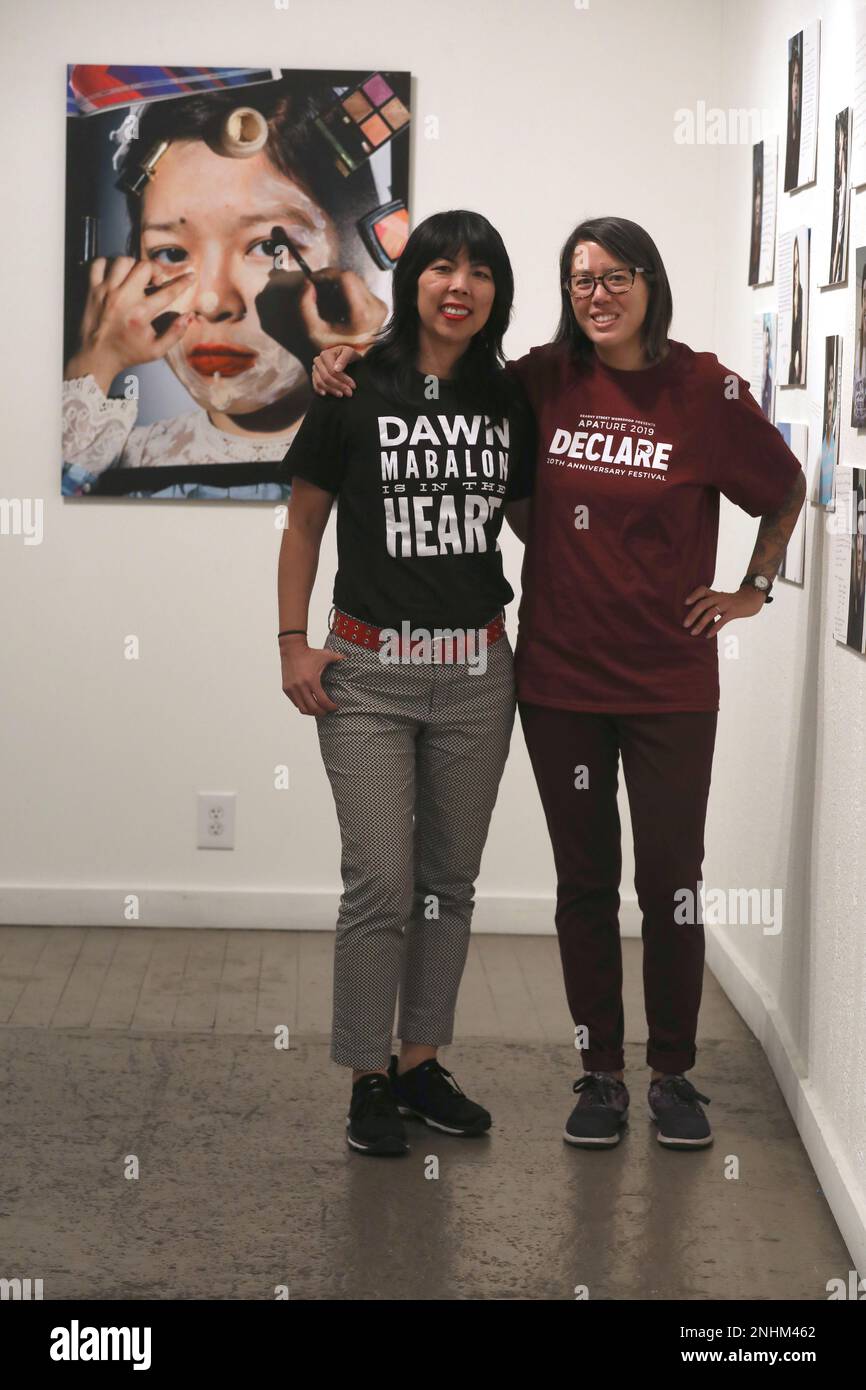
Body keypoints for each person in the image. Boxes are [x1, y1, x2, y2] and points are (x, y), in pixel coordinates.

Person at [313, 215, 806, 1153]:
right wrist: (339, 360)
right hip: (559, 678)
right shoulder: (542, 379)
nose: (599, 294)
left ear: (651, 282)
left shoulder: (701, 389)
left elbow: (783, 486)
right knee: (584, 884)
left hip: (670, 683)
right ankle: (601, 1075)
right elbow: (436, 370)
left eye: (617, 276)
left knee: (671, 884)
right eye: (580, 280)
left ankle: (672, 1076)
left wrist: (752, 589)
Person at [276, 210, 536, 1155]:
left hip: (474, 672)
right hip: (370, 674)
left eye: (480, 271)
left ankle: (421, 1063)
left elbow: (532, 524)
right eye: (441, 267)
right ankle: (366, 1079)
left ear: (498, 293)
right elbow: (304, 526)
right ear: (413, 279)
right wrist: (290, 645)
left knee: (446, 884)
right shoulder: (353, 385)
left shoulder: (509, 402)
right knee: (380, 879)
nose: (459, 285)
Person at [62, 79, 388, 499]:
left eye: (270, 247)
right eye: (171, 253)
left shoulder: (380, 451)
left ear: (353, 258)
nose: (212, 302)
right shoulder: (121, 457)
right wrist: (95, 364)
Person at [788, 235, 804, 385]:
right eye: (793, 267)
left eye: (797, 265)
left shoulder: (800, 292)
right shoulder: (788, 297)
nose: (795, 272)